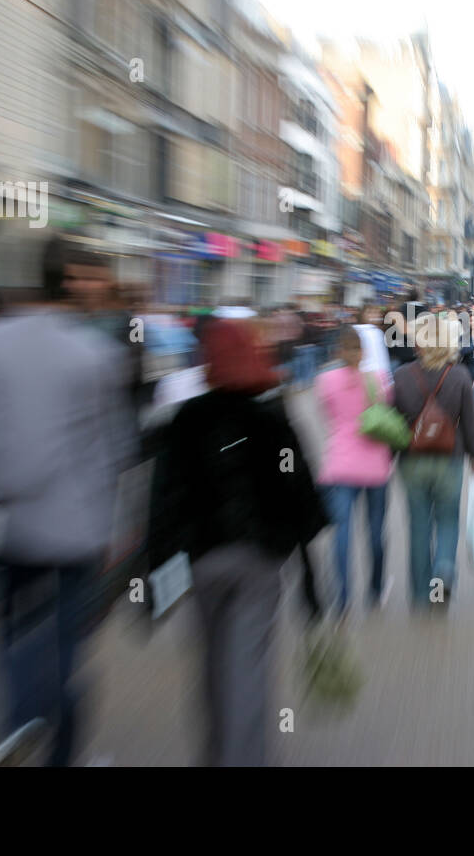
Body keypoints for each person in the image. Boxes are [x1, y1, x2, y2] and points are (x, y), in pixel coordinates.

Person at [0, 237, 137, 767]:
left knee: (10, 638)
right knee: (65, 647)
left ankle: (12, 730)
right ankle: (59, 752)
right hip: (76, 529)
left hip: (11, 527)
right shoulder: (98, 356)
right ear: (76, 279)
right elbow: (115, 449)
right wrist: (120, 525)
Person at [147, 318, 327, 766]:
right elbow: (300, 492)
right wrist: (308, 571)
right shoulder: (272, 416)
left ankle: (215, 755)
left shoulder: (187, 418)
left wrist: (156, 570)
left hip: (203, 560)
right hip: (260, 561)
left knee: (210, 667)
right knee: (247, 669)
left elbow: (163, 499)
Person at [393, 315, 474, 610]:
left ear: (419, 344)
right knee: (447, 520)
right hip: (450, 459)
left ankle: (422, 594)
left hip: (412, 461)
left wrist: (387, 454)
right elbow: (472, 420)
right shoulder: (460, 375)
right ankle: (444, 567)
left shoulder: (401, 376)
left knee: (418, 526)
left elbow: (391, 420)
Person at [315, 327, 393, 615]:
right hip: (375, 466)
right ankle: (376, 589)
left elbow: (328, 416)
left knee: (341, 533)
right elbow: (386, 414)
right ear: (363, 351)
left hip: (339, 465)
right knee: (374, 531)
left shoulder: (324, 380)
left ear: (337, 350)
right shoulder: (379, 379)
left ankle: (343, 599)